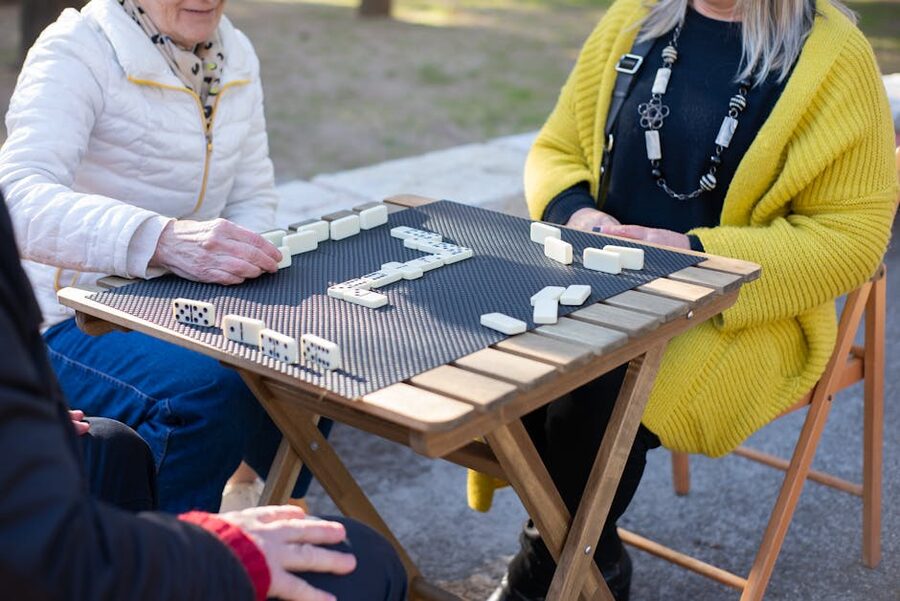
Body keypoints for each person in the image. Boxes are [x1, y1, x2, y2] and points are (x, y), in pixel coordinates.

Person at [482, 0, 898, 599]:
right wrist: (578, 212)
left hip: (737, 308)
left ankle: (544, 572)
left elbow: (851, 238)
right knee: (495, 361)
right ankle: (595, 560)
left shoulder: (832, 56)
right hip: (596, 279)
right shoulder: (637, 16)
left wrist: (691, 250)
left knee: (594, 383)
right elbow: (556, 148)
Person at [0, 0, 330, 513]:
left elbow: (252, 197)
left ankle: (263, 507)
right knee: (204, 392)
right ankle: (171, 558)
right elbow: (17, 200)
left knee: (317, 345)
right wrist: (161, 240)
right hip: (67, 317)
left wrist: (252, 273)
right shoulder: (77, 48)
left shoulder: (235, 51)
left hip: (179, 300)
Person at [0, 191, 409, 601]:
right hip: (79, 312)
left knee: (109, 444)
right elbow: (39, 548)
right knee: (365, 559)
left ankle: (262, 497)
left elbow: (253, 196)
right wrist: (219, 552)